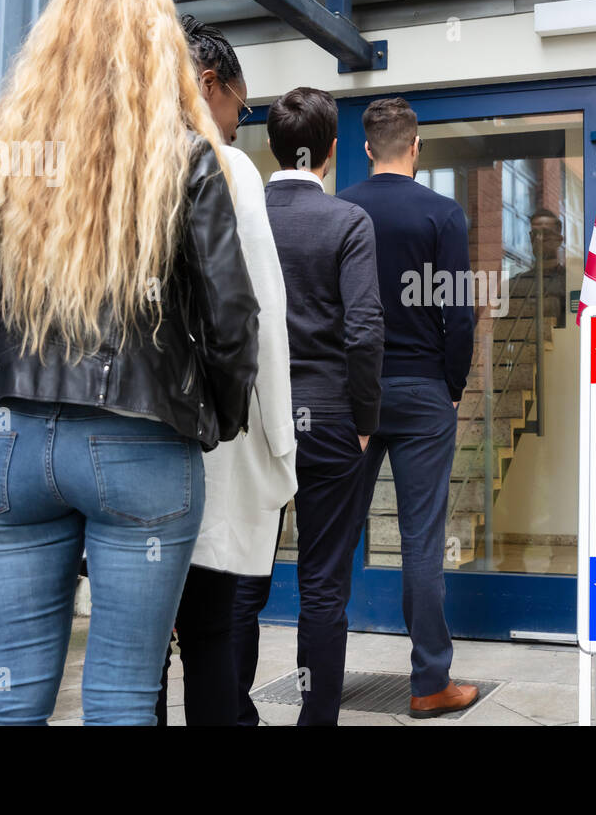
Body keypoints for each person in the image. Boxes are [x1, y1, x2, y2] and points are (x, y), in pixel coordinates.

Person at [0, 0, 260, 725]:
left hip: (13, 455)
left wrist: (8, 407)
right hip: (144, 451)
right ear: (158, 46)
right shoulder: (186, 157)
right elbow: (233, 324)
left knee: (6, 702)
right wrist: (212, 419)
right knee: (117, 699)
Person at [154, 17, 297, 726]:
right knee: (210, 643)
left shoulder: (107, 159)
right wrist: (275, 444)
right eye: (241, 106)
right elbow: (256, 316)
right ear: (207, 84)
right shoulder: (225, 166)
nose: (241, 124)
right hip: (206, 443)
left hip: (115, 447)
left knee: (135, 656)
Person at [230, 86, 385, 726]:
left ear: (272, 145)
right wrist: (365, 423)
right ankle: (315, 719)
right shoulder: (348, 222)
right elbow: (366, 331)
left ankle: (232, 715)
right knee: (322, 585)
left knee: (241, 578)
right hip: (328, 421)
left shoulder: (240, 216)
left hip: (250, 421)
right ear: (330, 151)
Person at [338, 97, 479, 718]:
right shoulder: (443, 215)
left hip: (352, 395)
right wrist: (451, 384)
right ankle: (429, 685)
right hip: (423, 391)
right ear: (415, 147)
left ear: (368, 148)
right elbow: (460, 312)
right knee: (422, 540)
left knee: (336, 536)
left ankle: (321, 677)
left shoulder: (342, 208)